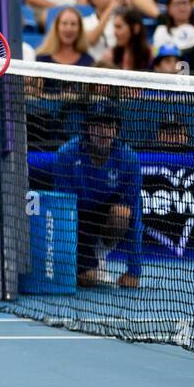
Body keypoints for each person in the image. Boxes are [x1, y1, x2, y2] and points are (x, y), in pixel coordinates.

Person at [52, 101, 142, 288]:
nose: (103, 132)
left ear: (116, 129)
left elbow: (136, 216)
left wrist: (134, 271)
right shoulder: (66, 155)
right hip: (77, 221)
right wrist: (67, 260)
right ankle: (87, 261)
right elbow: (63, 211)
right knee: (87, 279)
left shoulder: (129, 160)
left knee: (122, 214)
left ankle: (100, 253)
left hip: (105, 218)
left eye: (109, 125)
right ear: (86, 128)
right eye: (98, 125)